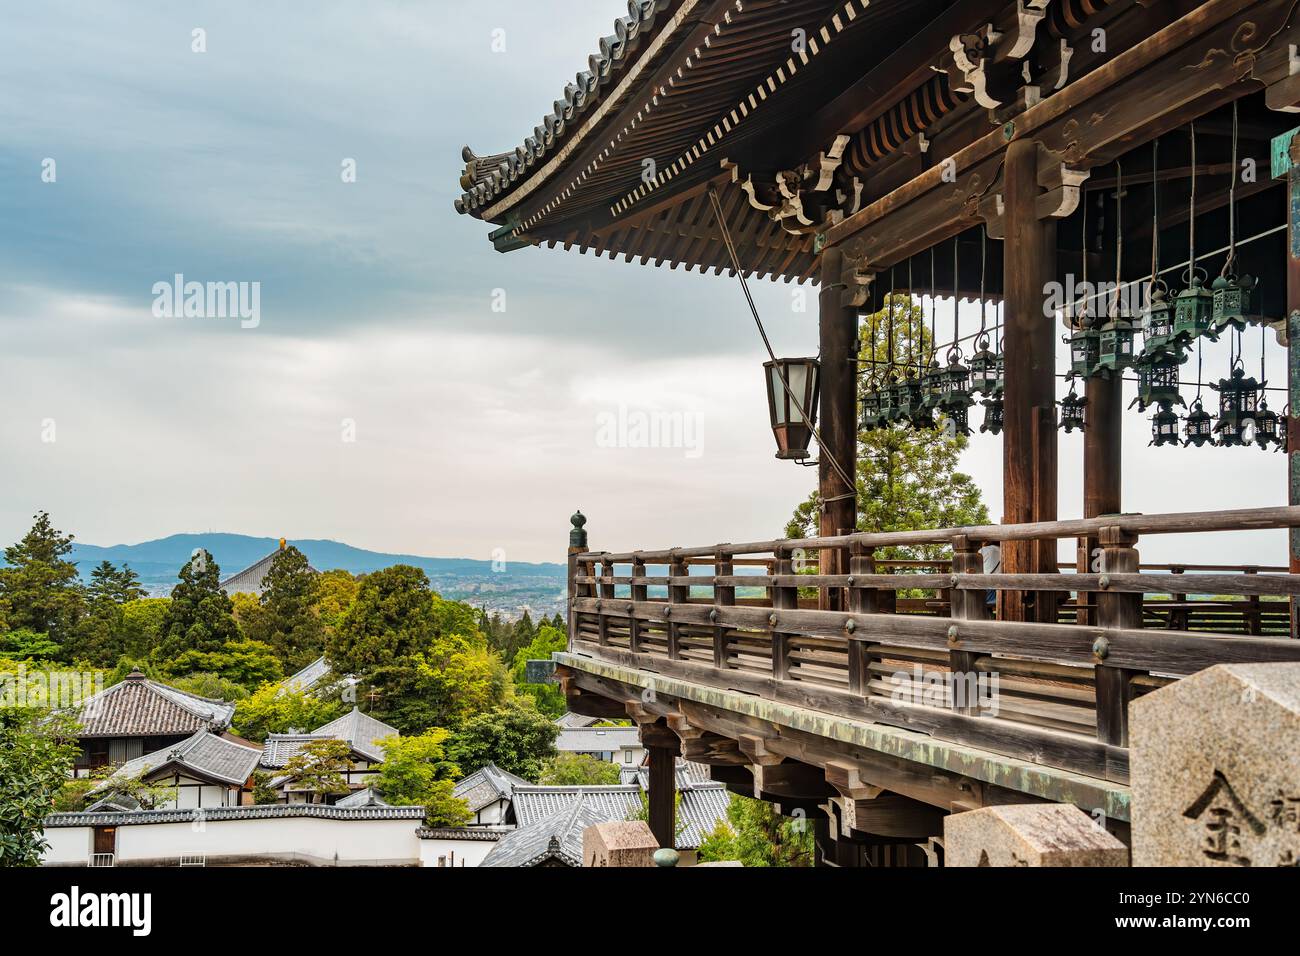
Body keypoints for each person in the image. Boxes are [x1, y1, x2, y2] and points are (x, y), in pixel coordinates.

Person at [979, 541, 1001, 611]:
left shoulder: (982, 550)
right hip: (999, 583)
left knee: (983, 604)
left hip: (986, 583)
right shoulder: (1002, 549)